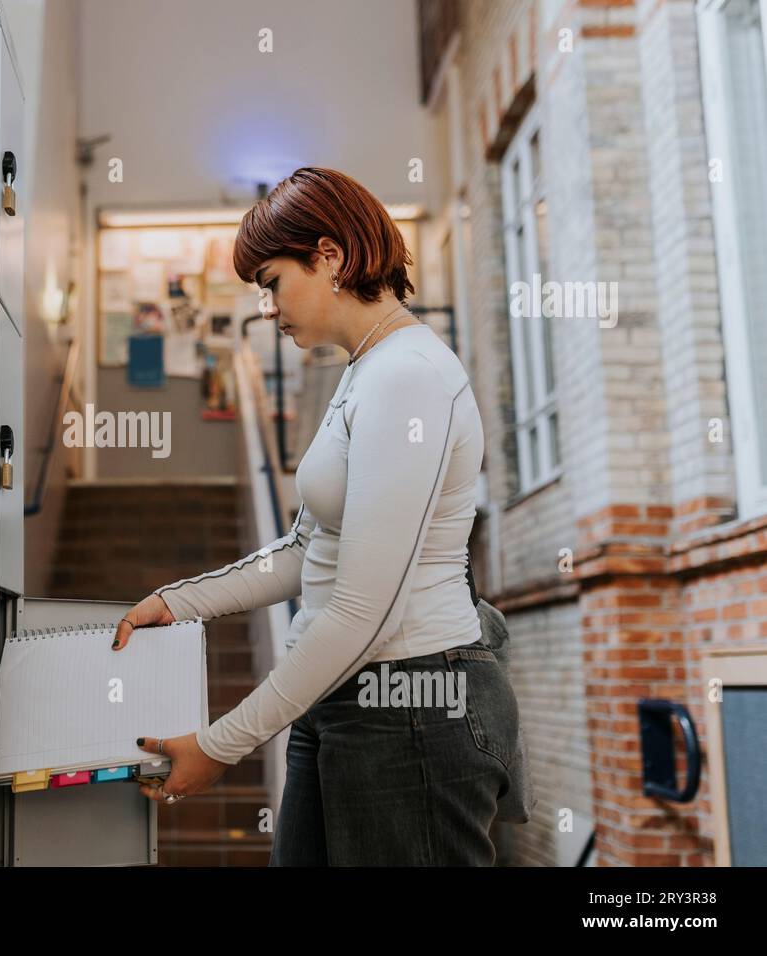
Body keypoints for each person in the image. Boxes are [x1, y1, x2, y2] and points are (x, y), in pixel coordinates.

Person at [114, 167, 524, 865]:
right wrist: (179, 601)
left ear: (329, 257)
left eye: (272, 283)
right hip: (346, 695)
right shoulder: (367, 372)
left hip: (411, 706)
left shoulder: (409, 377)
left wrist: (220, 745)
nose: (268, 309)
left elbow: (363, 610)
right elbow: (309, 550)